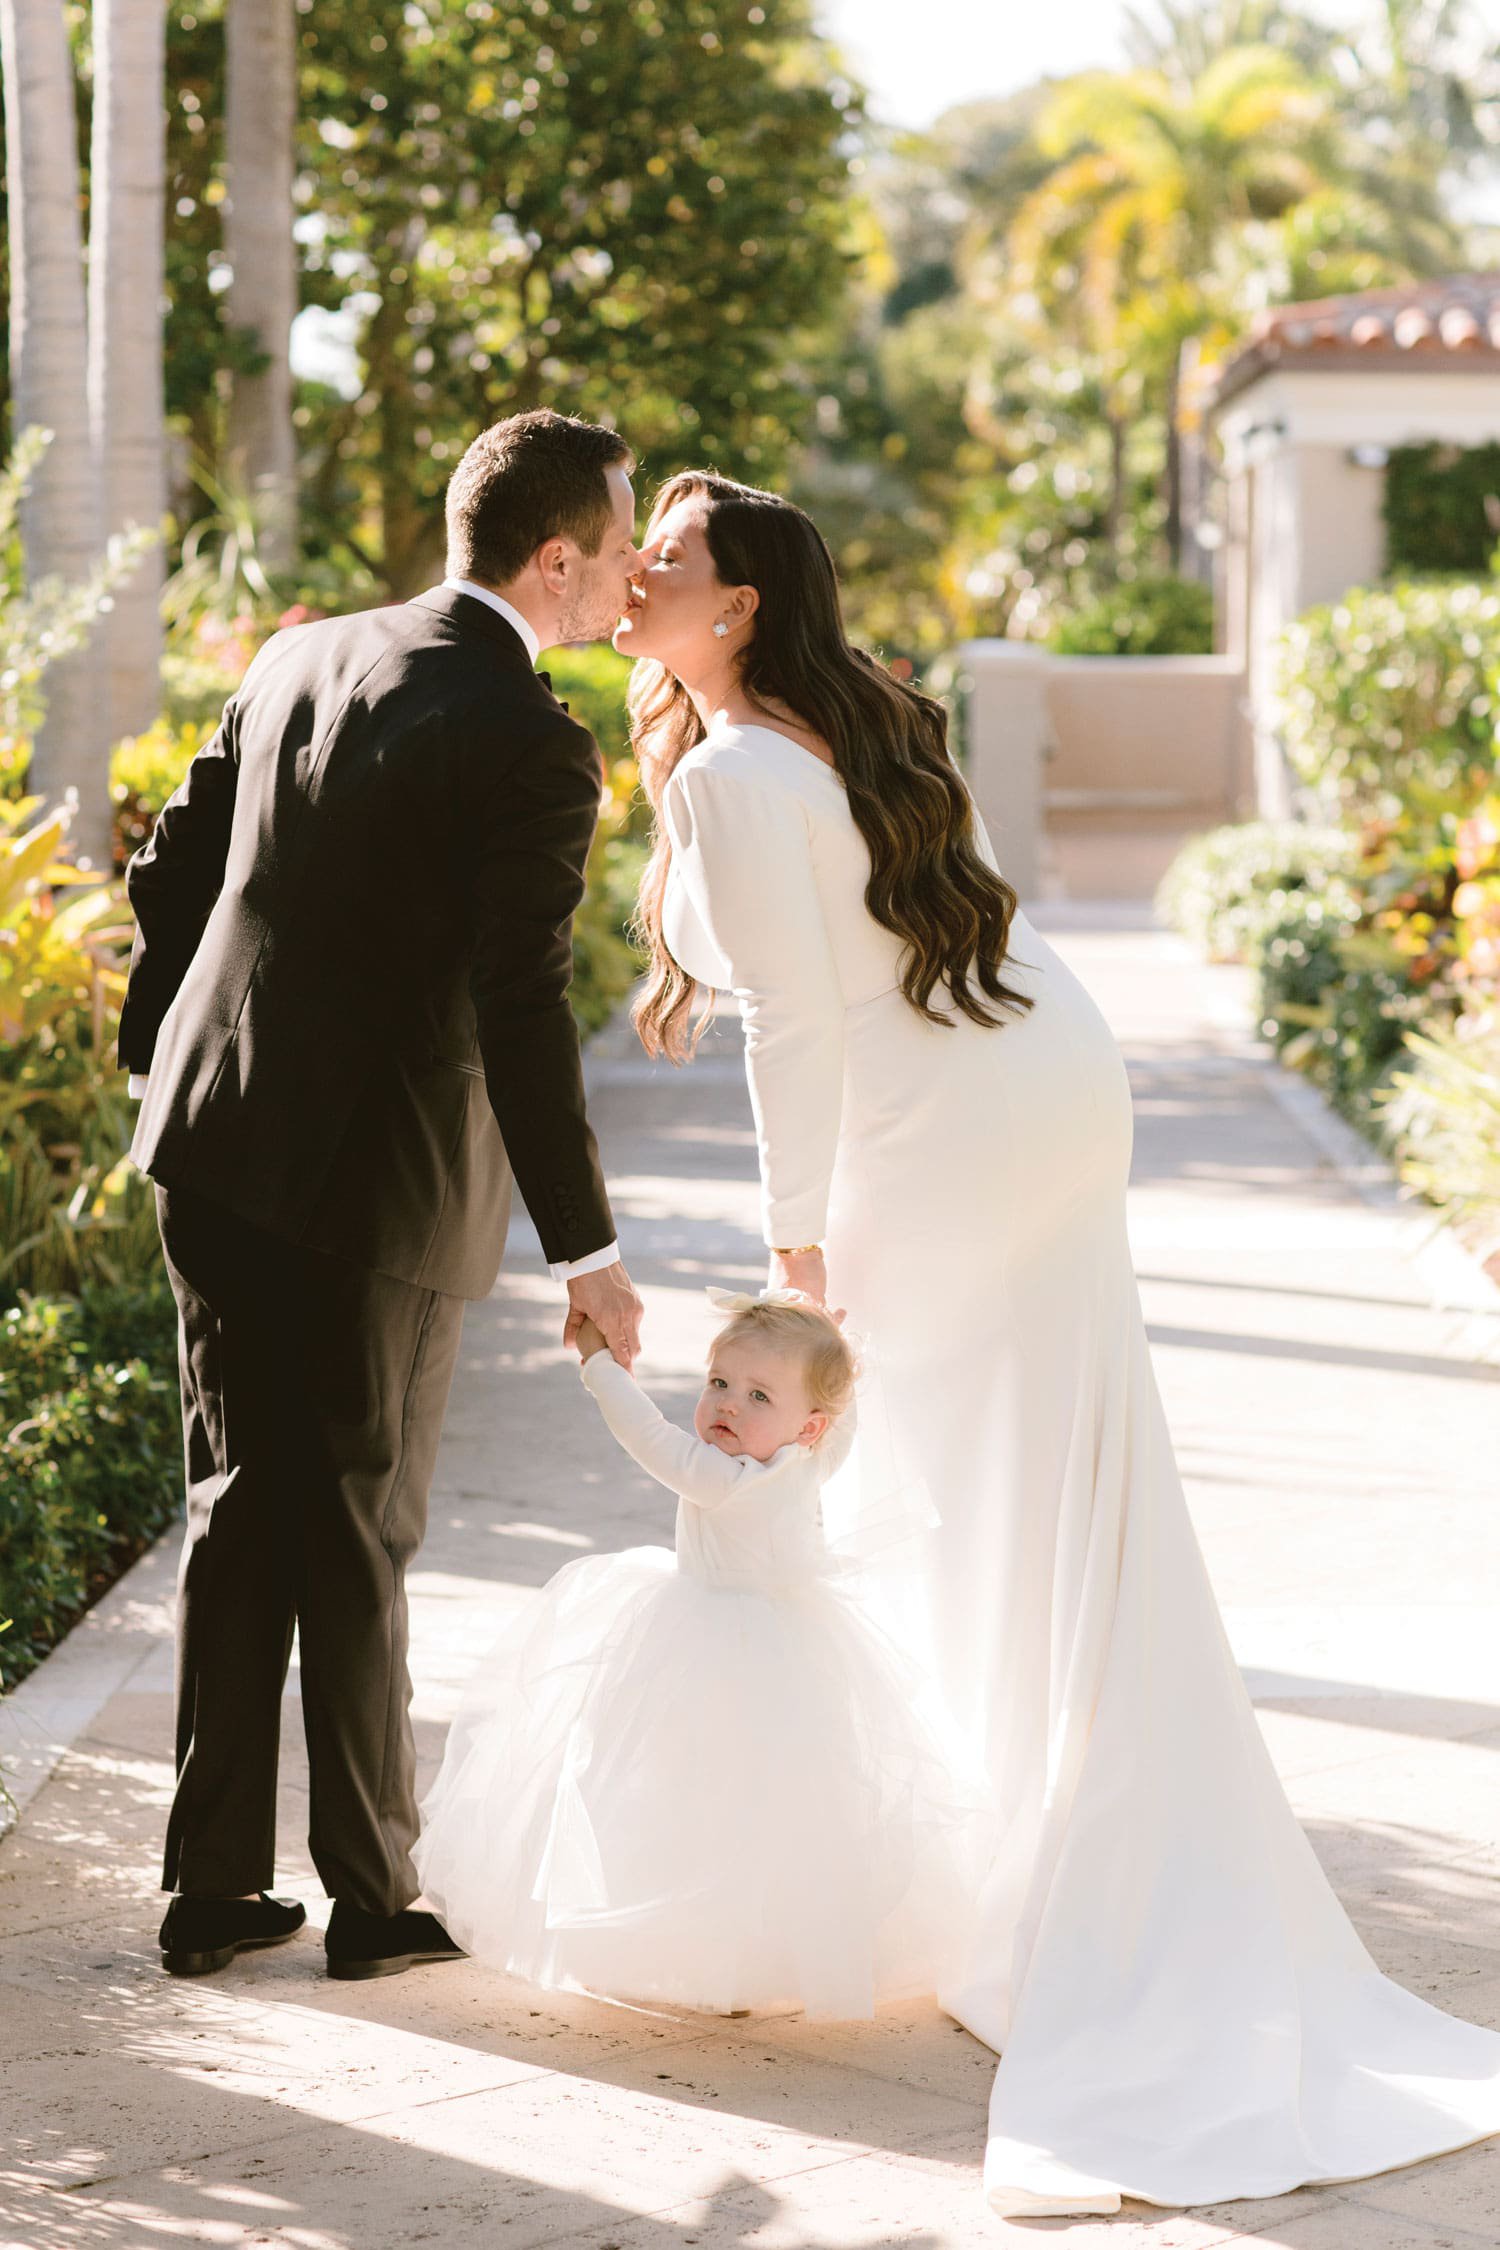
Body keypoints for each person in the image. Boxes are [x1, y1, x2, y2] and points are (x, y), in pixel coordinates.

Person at [617, 469, 1500, 2217]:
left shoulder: (732, 761)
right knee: (1040, 1491)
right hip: (1032, 1086)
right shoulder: (808, 727)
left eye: (671, 556)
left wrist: (792, 1237)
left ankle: (1039, 1883)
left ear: (736, 607)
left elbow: (797, 1006)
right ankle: (1029, 1856)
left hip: (940, 1136)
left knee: (957, 1497)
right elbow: (826, 945)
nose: (638, 571)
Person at [120, 409, 645, 1984]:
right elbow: (523, 1005)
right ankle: (369, 1896)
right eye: (618, 552)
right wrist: (591, 1245)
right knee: (353, 1521)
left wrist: (172, 1059)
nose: (627, 580)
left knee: (236, 1510)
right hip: (374, 1190)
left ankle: (213, 1889)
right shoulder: (534, 741)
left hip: (211, 1144)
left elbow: (169, 869)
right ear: (553, 561)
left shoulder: (306, 655)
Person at [413, 1289, 988, 2017]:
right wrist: (838, 1364)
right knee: (741, 1808)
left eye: (757, 1396)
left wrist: (598, 1365)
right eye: (719, 1383)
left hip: (718, 1649)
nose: (728, 1407)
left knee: (709, 1802)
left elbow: (647, 1436)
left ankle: (729, 1964)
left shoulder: (726, 1480)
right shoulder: (803, 1460)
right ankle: (735, 1962)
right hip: (777, 1648)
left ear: (805, 1425)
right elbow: (837, 1427)